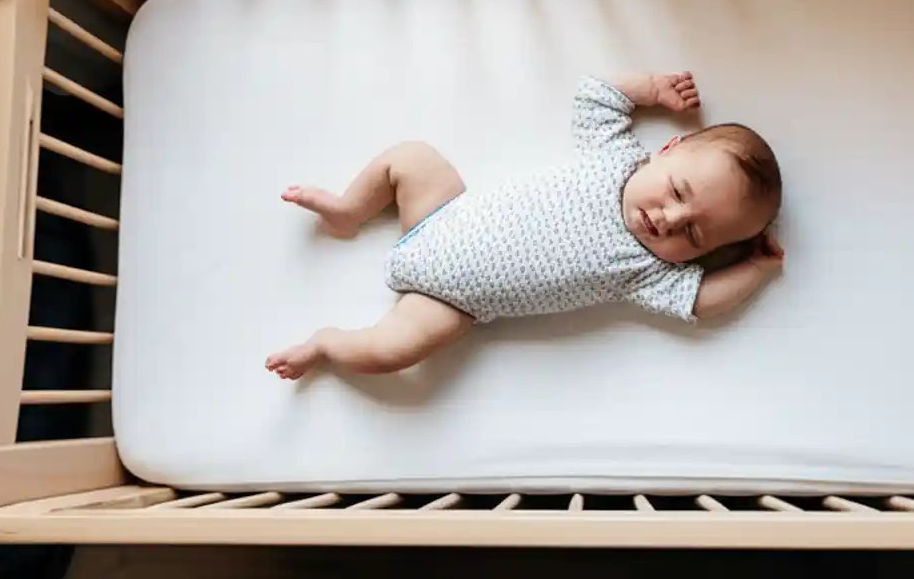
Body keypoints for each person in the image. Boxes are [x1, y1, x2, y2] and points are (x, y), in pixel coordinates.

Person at [265, 72, 784, 378]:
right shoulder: (614, 156)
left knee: (395, 351)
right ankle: (349, 210)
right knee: (413, 158)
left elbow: (702, 303)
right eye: (676, 193)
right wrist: (652, 88)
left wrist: (756, 271)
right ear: (665, 150)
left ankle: (328, 344)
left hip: (452, 303)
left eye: (693, 235)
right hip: (441, 214)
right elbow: (598, 93)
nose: (669, 220)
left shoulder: (650, 273)